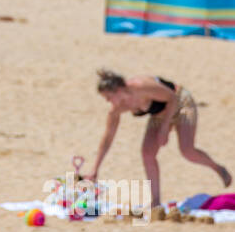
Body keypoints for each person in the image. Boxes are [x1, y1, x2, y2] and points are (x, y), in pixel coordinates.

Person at [87, 70, 230, 215]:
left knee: (187, 150)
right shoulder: (117, 109)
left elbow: (172, 98)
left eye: (108, 97)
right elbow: (108, 138)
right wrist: (95, 169)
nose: (107, 101)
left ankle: (218, 168)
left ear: (118, 90)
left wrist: (164, 128)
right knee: (147, 153)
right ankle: (156, 202)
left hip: (181, 103)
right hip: (159, 115)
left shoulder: (142, 86)